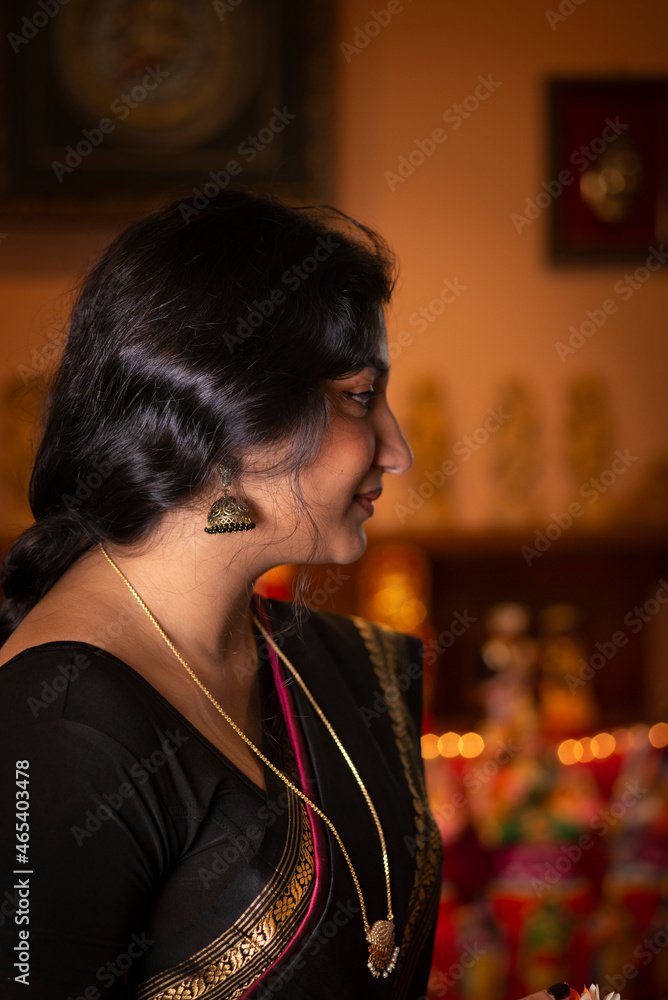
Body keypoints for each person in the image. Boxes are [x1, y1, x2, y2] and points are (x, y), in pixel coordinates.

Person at [0, 190, 570, 1000]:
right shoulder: (60, 727)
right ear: (229, 418)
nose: (397, 450)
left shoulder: (324, 656)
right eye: (360, 398)